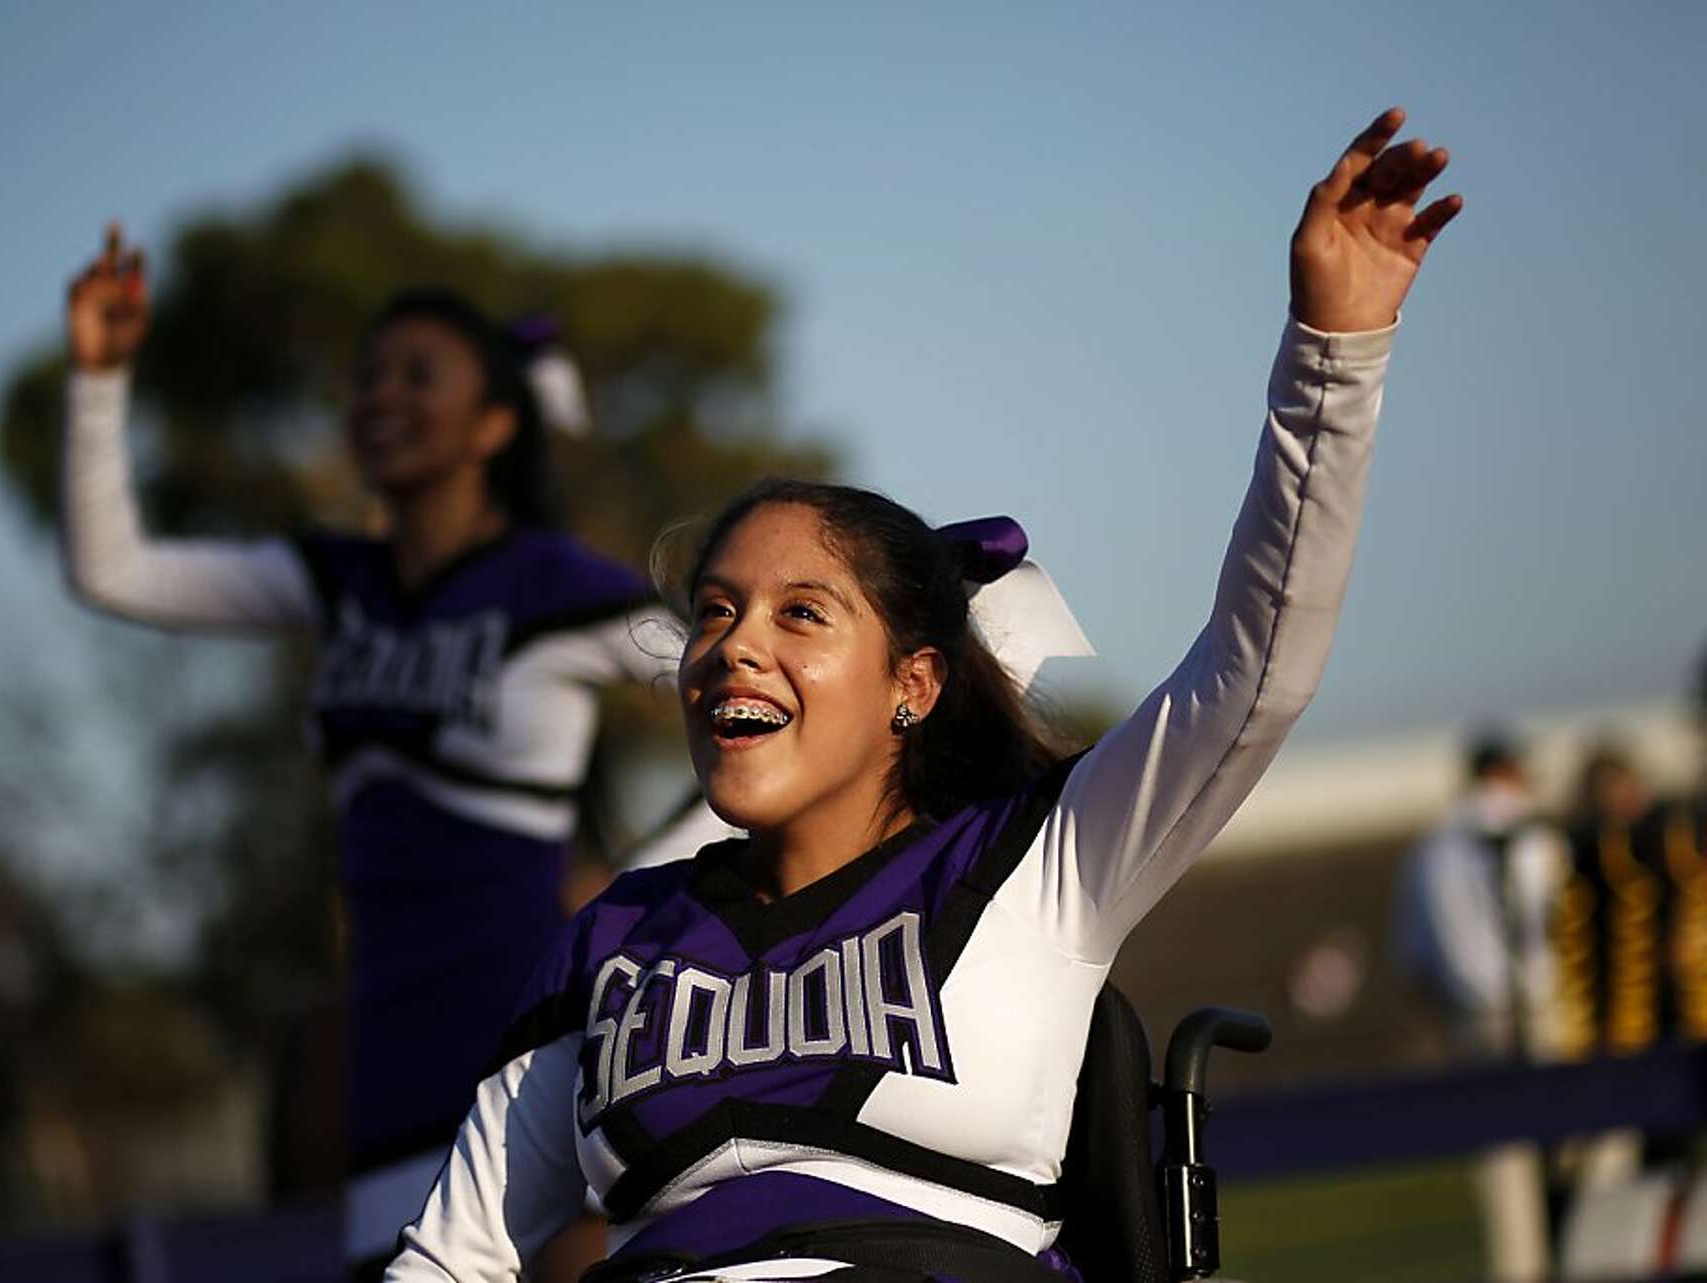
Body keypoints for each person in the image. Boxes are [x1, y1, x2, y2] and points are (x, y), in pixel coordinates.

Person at [383, 107, 1461, 1282]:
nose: (736, 646)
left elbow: (1256, 671)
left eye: (802, 612)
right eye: (714, 611)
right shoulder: (609, 946)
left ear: (914, 683)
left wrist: (1332, 355)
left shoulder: (1034, 864)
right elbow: (450, 1260)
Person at [61, 247, 728, 1274]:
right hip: (386, 1057)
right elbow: (116, 571)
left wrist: (641, 886)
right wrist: (100, 381)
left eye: (419, 374)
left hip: (541, 1041)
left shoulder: (551, 584)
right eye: (368, 376)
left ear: (495, 423)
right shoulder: (335, 582)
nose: (381, 395)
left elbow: (756, 705)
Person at [1394, 733, 1566, 1283]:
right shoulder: (1542, 833)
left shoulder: (1431, 849)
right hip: (1546, 1005)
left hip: (1473, 1014)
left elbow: (1415, 957)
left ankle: (1520, 1268)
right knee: (1585, 1131)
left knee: (1503, 1163)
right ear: (1510, 770)